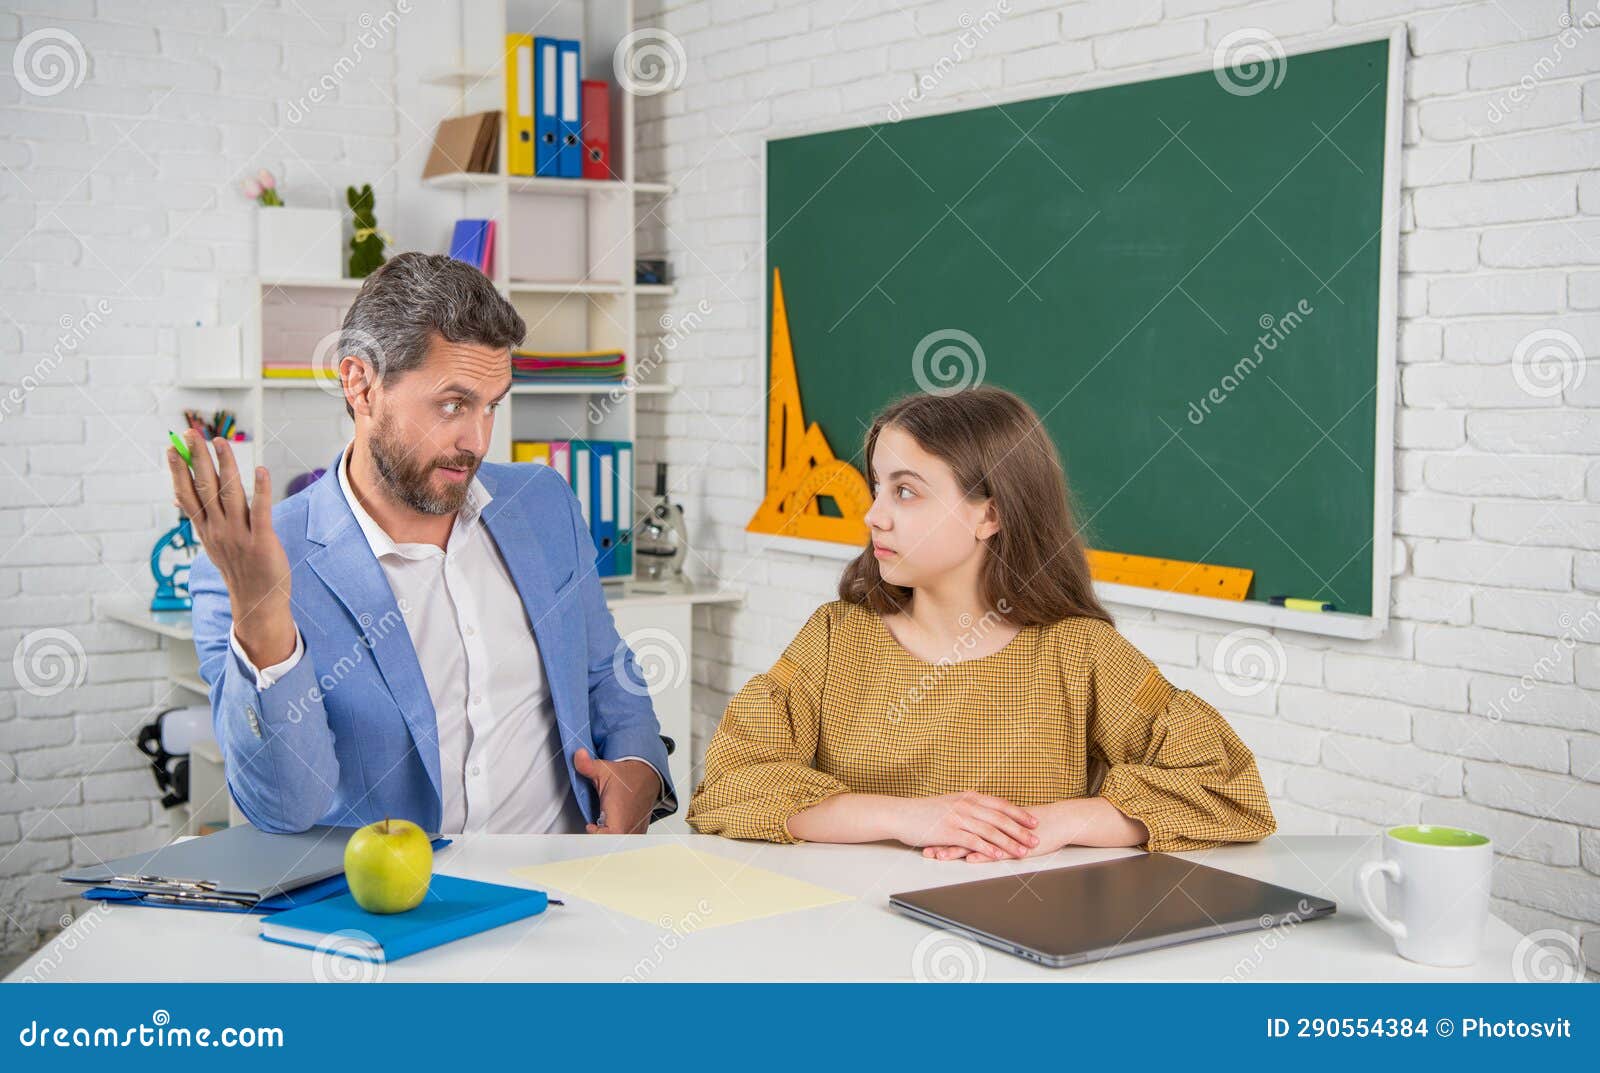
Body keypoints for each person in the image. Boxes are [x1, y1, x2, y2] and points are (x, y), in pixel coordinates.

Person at [173, 252, 673, 835]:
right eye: (452, 405)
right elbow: (285, 808)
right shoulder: (250, 567)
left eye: (492, 406)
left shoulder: (543, 502)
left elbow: (605, 670)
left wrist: (641, 768)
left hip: (569, 887)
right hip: (399, 910)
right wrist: (264, 623)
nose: (478, 440)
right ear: (359, 383)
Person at [687, 386, 1275, 860]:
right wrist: (906, 816)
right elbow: (731, 785)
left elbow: (1227, 787)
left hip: (1034, 940)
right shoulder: (836, 638)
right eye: (876, 488)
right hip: (853, 939)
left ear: (989, 514)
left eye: (906, 492)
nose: (872, 515)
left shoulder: (1081, 653)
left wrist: (1061, 823)